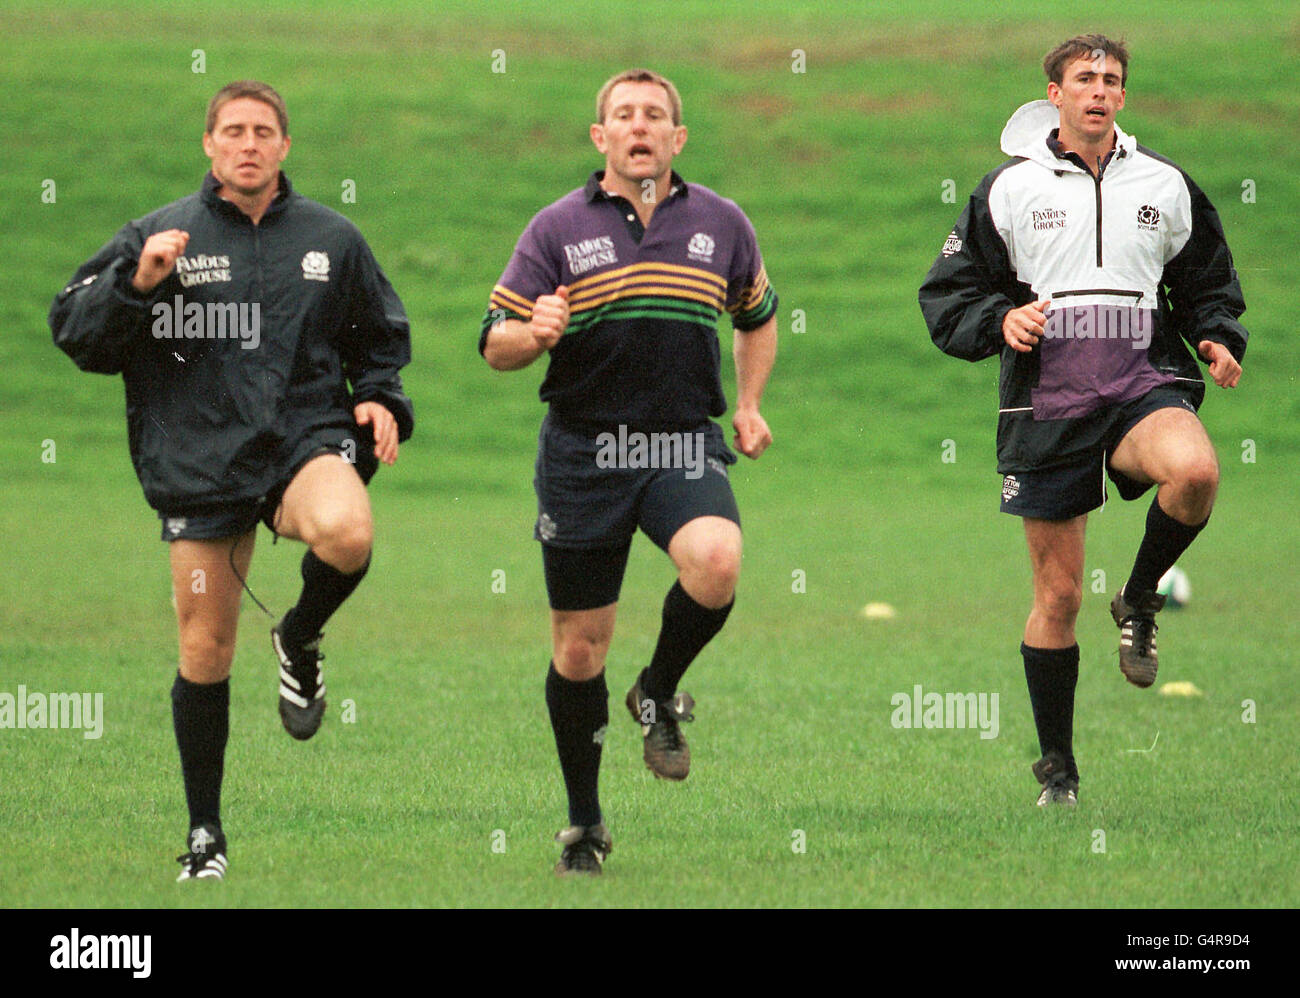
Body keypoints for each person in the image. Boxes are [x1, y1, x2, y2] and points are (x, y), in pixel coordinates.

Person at [50, 80, 414, 879]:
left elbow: (378, 338)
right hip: (200, 460)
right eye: (233, 131)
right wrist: (137, 284)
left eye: (264, 131)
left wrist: (383, 401)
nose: (248, 144)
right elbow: (74, 333)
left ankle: (299, 632)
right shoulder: (160, 234)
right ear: (209, 146)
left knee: (349, 531)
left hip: (302, 444)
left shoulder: (332, 238)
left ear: (285, 146)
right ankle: (206, 838)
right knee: (206, 649)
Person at [919, 35, 1246, 807]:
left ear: (1123, 96)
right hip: (1047, 400)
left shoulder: (1165, 184)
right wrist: (1001, 321)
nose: (1099, 90)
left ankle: (1138, 598)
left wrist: (1219, 336)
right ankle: (1058, 770)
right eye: (1084, 78)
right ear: (1055, 93)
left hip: (1141, 376)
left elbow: (1207, 278)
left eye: (1112, 80)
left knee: (1196, 471)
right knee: (1058, 597)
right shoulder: (1007, 189)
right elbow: (948, 294)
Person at [480, 68, 778, 873]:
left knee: (716, 562)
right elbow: (493, 343)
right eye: (623, 115)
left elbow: (758, 315)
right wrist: (534, 333)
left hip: (679, 441)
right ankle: (584, 824)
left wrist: (747, 405)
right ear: (600, 136)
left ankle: (657, 691)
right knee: (580, 649)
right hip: (583, 453)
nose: (638, 126)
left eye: (655, 116)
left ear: (677, 138)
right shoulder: (555, 228)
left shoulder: (722, 223)